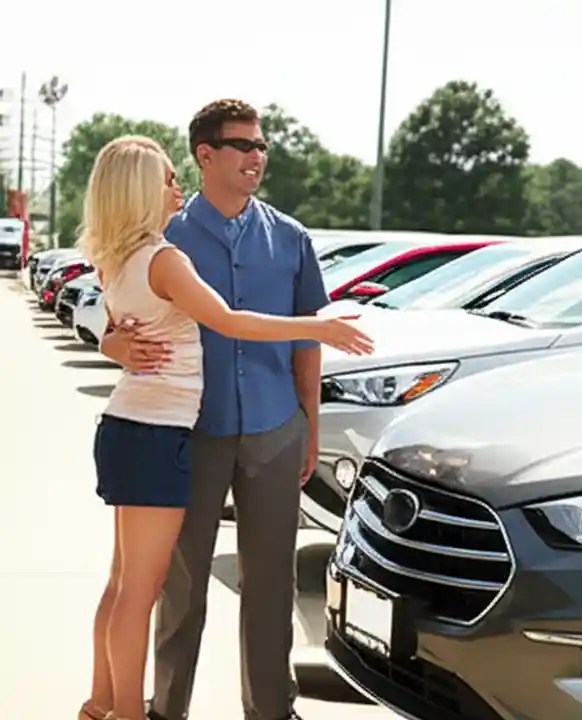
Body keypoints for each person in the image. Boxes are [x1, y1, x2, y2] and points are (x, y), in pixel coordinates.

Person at [76, 136, 373, 720]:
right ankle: (134, 714)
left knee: (123, 583)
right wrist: (320, 328)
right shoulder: (165, 255)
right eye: (166, 178)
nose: (176, 185)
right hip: (162, 433)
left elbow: (126, 320)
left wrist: (307, 420)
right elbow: (229, 322)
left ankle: (100, 705)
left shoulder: (117, 254)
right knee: (146, 590)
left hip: (133, 428)